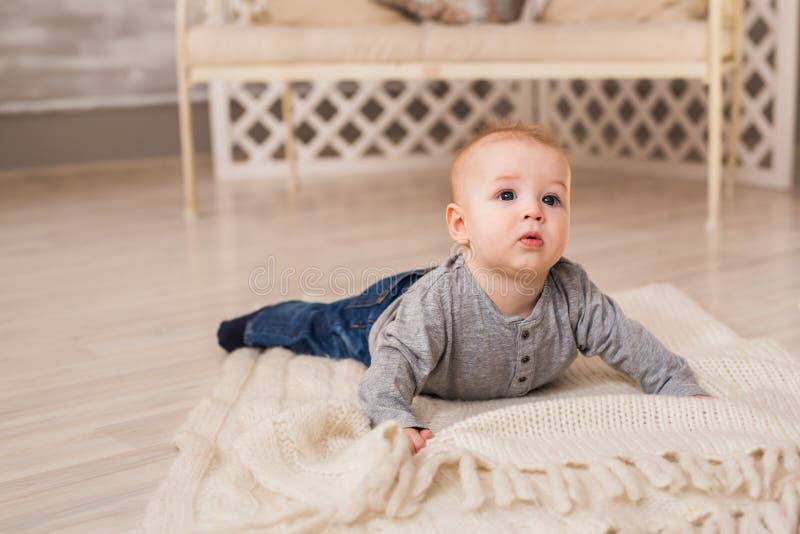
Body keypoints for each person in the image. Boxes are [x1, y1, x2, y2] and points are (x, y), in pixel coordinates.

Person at [217, 121, 711, 455]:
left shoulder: (574, 293)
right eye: (506, 195)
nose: (533, 210)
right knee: (318, 326)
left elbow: (629, 340)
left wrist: (675, 384)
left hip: (432, 292)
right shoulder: (437, 306)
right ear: (461, 224)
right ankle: (256, 323)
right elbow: (393, 367)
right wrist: (394, 417)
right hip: (381, 312)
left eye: (551, 199)